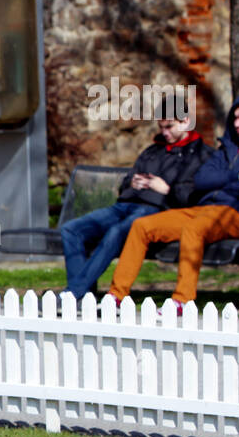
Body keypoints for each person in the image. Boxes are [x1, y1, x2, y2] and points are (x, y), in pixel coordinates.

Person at [109, 90, 239, 309]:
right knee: (142, 226)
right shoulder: (225, 151)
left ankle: (182, 301)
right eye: (235, 117)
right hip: (205, 209)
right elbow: (201, 180)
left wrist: (221, 182)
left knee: (194, 229)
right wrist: (236, 177)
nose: (237, 123)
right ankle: (116, 296)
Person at [61, 115, 208, 299]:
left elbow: (193, 196)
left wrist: (166, 189)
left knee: (116, 232)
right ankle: (82, 296)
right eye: (161, 127)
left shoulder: (199, 155)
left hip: (156, 209)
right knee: (71, 229)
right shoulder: (153, 151)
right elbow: (125, 182)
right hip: (125, 205)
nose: (165, 132)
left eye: (169, 127)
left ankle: (73, 293)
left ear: (185, 121)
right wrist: (132, 182)